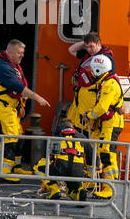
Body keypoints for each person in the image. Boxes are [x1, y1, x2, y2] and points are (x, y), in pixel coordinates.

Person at [0, 39, 50, 180]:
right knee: (10, 137)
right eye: (19, 53)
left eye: (23, 53)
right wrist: (37, 98)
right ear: (10, 52)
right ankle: (2, 172)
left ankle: (15, 167)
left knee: (18, 135)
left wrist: (21, 105)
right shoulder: (2, 67)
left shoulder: (13, 66)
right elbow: (17, 86)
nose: (22, 56)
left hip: (10, 108)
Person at [72, 53, 124, 198]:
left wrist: (89, 115)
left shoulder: (109, 85)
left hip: (111, 124)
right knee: (97, 151)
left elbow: (102, 107)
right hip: (105, 124)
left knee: (107, 154)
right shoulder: (104, 82)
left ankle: (110, 188)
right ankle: (93, 182)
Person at [38, 119, 88, 200]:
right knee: (73, 184)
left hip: (61, 169)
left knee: (39, 166)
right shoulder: (82, 137)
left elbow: (49, 155)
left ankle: (54, 190)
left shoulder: (56, 137)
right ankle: (78, 191)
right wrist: (98, 165)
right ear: (72, 127)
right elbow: (91, 154)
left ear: (60, 127)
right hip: (78, 171)